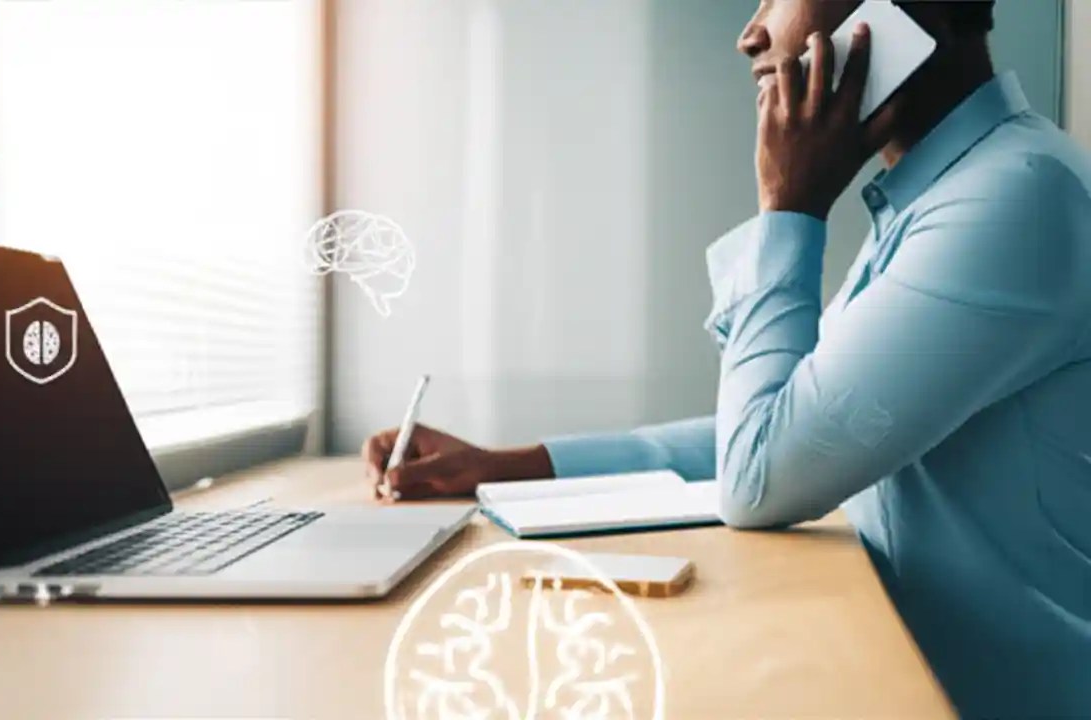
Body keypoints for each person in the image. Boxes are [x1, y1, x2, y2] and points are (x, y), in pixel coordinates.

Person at [361, 1, 1091, 714]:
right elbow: (796, 427)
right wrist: (502, 467)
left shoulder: (1014, 199)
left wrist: (789, 208)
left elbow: (760, 474)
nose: (749, 35)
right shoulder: (948, 196)